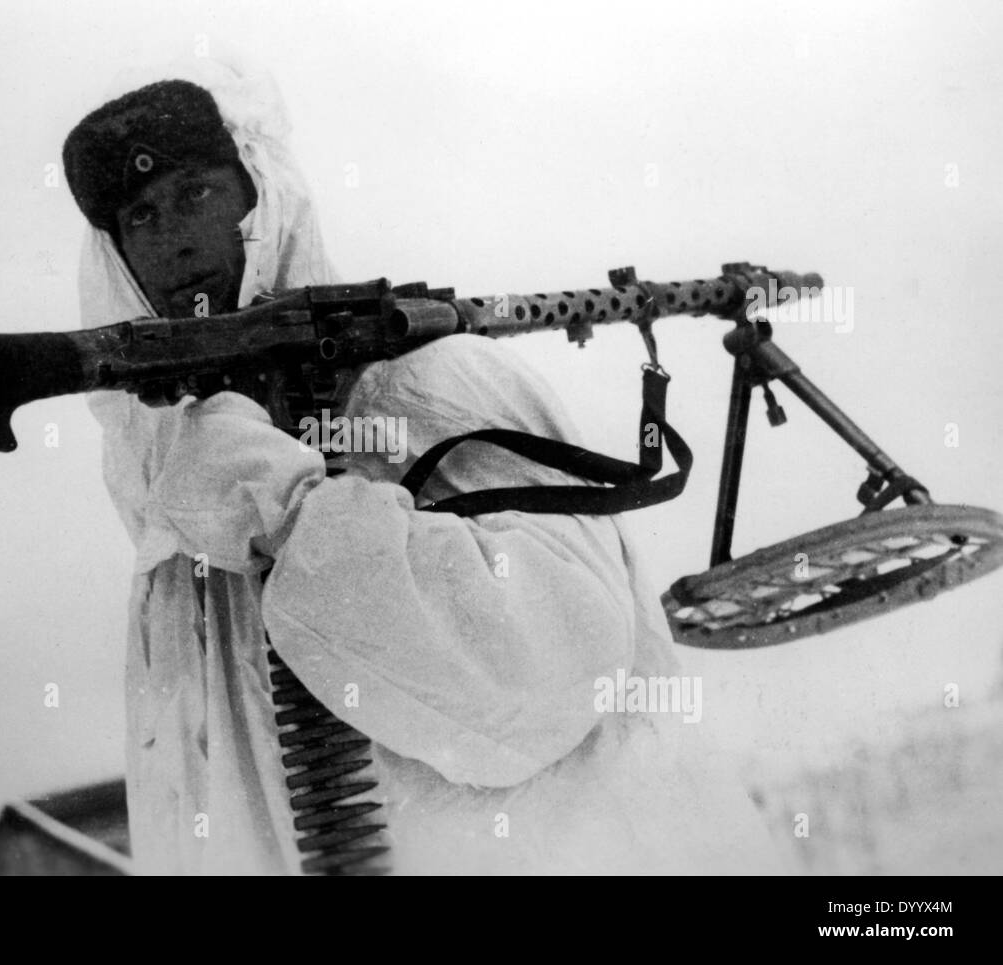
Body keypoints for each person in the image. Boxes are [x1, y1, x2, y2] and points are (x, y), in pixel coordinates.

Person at [63, 59, 787, 875]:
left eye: (198, 194)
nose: (175, 240)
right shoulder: (187, 487)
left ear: (260, 198)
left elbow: (545, 672)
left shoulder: (428, 386)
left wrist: (294, 510)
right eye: (141, 216)